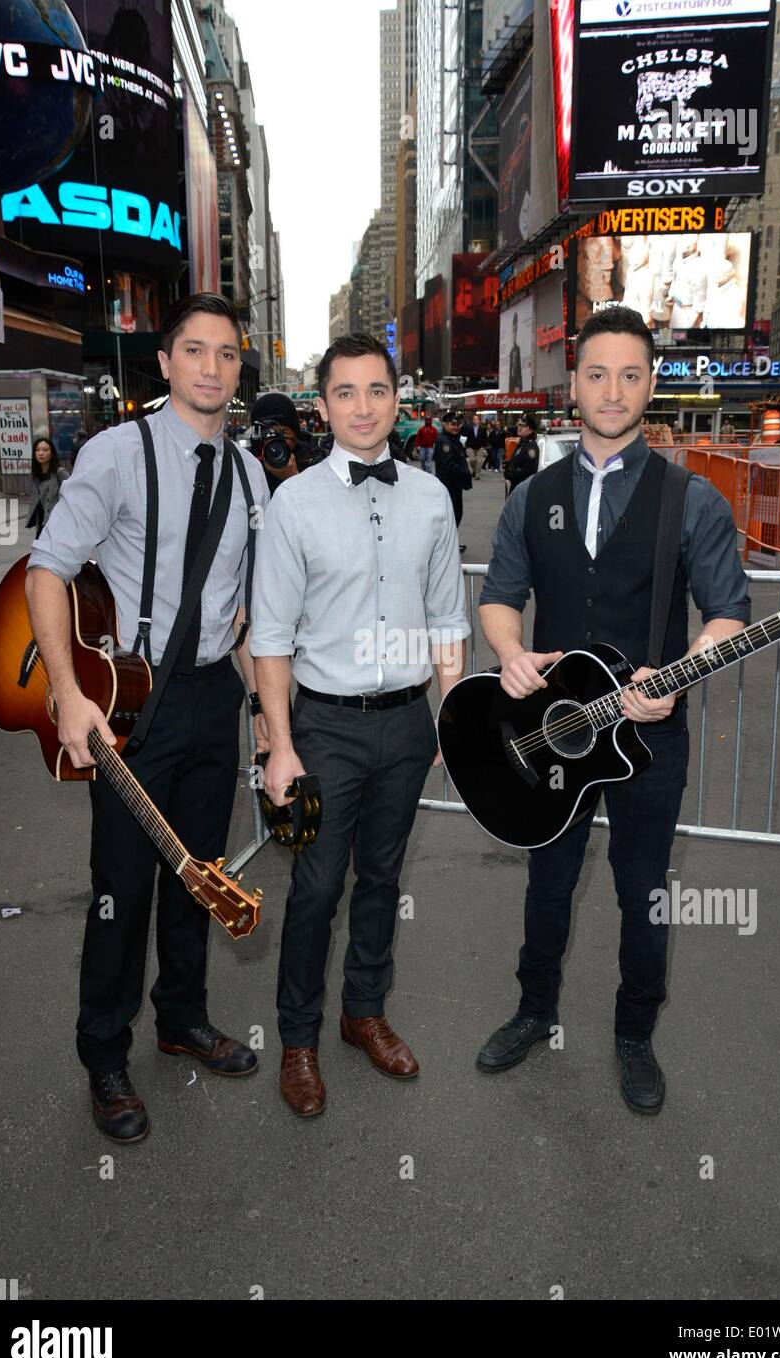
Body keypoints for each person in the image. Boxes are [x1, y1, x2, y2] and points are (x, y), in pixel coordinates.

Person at [475, 305, 749, 1114]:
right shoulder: (533, 494)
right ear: (574, 382)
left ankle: (634, 1032)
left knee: (642, 889)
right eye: (597, 373)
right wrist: (511, 654)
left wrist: (678, 677)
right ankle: (533, 1010)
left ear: (651, 383)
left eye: (630, 373)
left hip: (648, 739)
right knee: (547, 880)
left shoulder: (690, 499)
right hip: (555, 730)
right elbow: (499, 598)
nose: (612, 389)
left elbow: (726, 613)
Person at [24, 292, 272, 1144]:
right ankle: (103, 1052)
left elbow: (239, 614)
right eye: (194, 351)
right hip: (133, 703)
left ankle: (181, 1017)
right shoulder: (115, 455)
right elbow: (46, 572)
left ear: (241, 368)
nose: (211, 367)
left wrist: (268, 718)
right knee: (120, 891)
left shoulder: (250, 474)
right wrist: (67, 692)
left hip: (212, 698)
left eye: (227, 353)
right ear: (164, 364)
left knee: (197, 871)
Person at [251, 331, 469, 1118]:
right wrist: (279, 746)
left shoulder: (430, 498)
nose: (362, 407)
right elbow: (270, 639)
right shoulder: (293, 503)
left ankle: (362, 1014)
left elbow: (448, 618)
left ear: (395, 400)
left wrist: (455, 717)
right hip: (325, 729)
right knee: (313, 891)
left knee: (381, 880)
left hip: (408, 725)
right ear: (323, 407)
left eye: (375, 390)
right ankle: (298, 1041)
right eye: (345, 392)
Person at [250, 392, 313, 496]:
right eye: (267, 434)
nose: (275, 442)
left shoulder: (314, 461)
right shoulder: (249, 463)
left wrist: (293, 477)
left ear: (296, 433)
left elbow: (320, 508)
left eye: (282, 433)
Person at [434, 410, 473, 554]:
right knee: (451, 517)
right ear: (445, 424)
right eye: (452, 424)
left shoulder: (453, 439)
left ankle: (450, 544)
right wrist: (466, 473)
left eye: (457, 424)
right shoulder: (444, 441)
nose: (455, 427)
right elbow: (448, 465)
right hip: (448, 485)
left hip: (455, 485)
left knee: (455, 515)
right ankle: (446, 547)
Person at [26, 437, 69, 539]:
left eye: (45, 450)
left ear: (52, 453)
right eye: (37, 450)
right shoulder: (37, 476)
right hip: (41, 522)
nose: (41, 453)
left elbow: (72, 495)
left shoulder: (60, 472)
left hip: (56, 524)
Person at [502, 414, 540, 497]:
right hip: (514, 487)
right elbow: (516, 462)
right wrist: (508, 464)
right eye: (519, 425)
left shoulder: (531, 446)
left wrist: (512, 473)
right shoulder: (521, 443)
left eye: (523, 426)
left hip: (523, 489)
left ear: (530, 429)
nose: (519, 428)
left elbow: (530, 470)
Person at [465, 413, 488, 478]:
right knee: (471, 460)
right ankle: (474, 470)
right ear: (473, 421)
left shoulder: (482, 429)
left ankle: (477, 474)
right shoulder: (470, 429)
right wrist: (467, 446)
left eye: (476, 419)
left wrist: (484, 446)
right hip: (471, 447)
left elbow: (485, 438)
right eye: (474, 420)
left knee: (479, 461)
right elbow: (467, 437)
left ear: (479, 421)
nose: (475, 421)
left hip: (480, 447)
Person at [508, 312, 523, 392]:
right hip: (511, 386)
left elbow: (519, 371)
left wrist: (519, 384)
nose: (514, 333)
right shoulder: (511, 351)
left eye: (515, 330)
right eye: (513, 330)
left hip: (517, 385)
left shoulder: (518, 350)